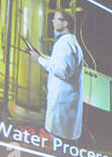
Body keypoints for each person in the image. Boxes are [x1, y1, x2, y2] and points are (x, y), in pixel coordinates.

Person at [25, 11, 83, 140]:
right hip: (65, 106)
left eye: (56, 19)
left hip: (61, 106)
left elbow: (62, 71)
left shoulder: (65, 44)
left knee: (59, 145)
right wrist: (40, 55)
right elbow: (60, 63)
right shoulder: (70, 42)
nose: (52, 21)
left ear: (65, 23)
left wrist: (39, 60)